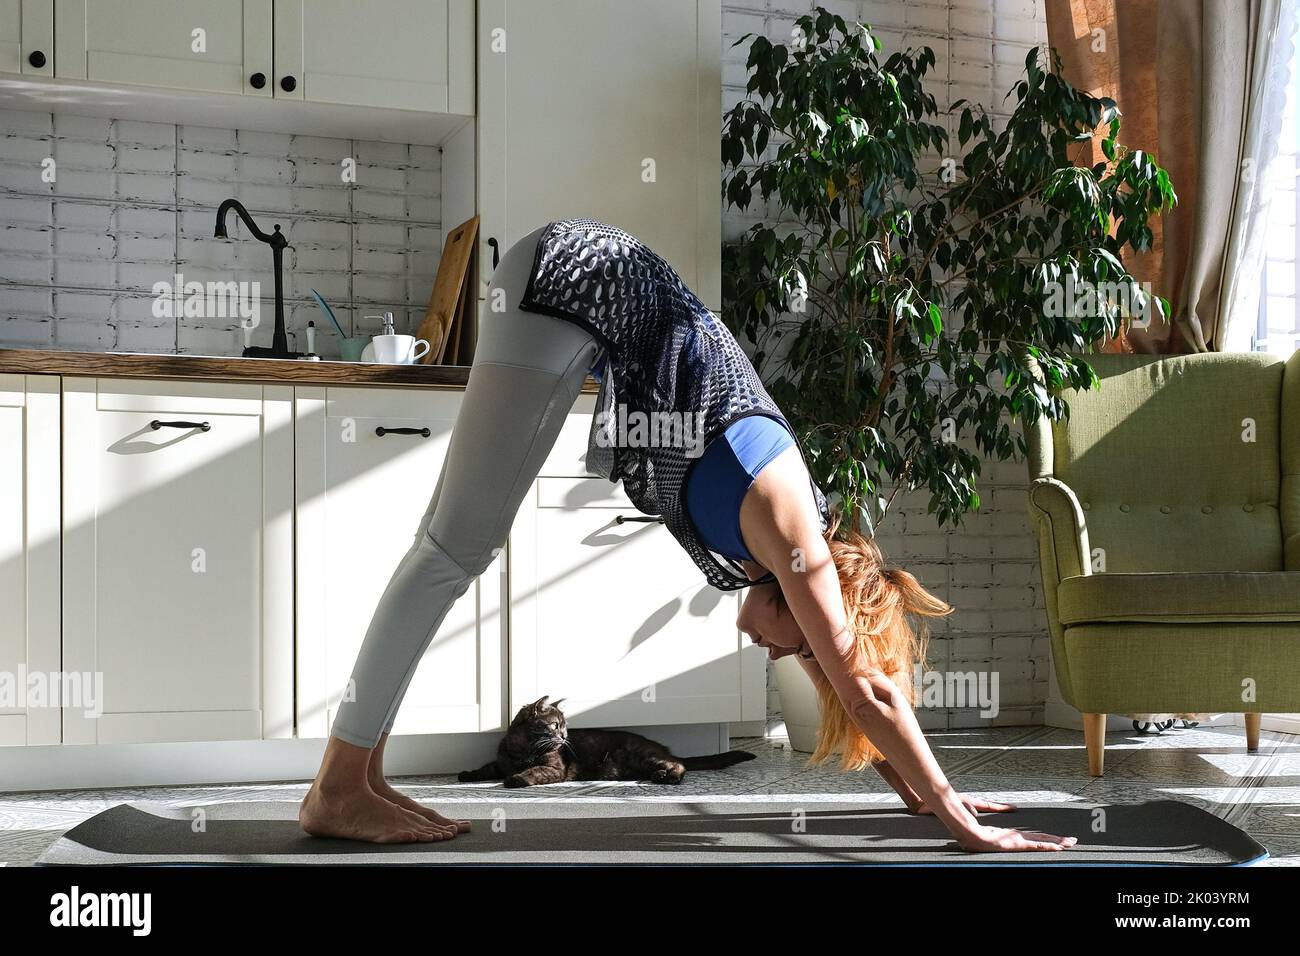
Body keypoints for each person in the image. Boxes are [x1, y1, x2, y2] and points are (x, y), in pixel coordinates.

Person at [299, 219, 1077, 853]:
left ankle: (358, 779)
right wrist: (960, 819)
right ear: (815, 594)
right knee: (453, 548)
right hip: (569, 282)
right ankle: (339, 786)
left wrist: (920, 796)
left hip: (574, 284)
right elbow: (866, 686)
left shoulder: (792, 540)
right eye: (798, 642)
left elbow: (850, 688)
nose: (782, 650)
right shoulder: (792, 531)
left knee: (453, 546)